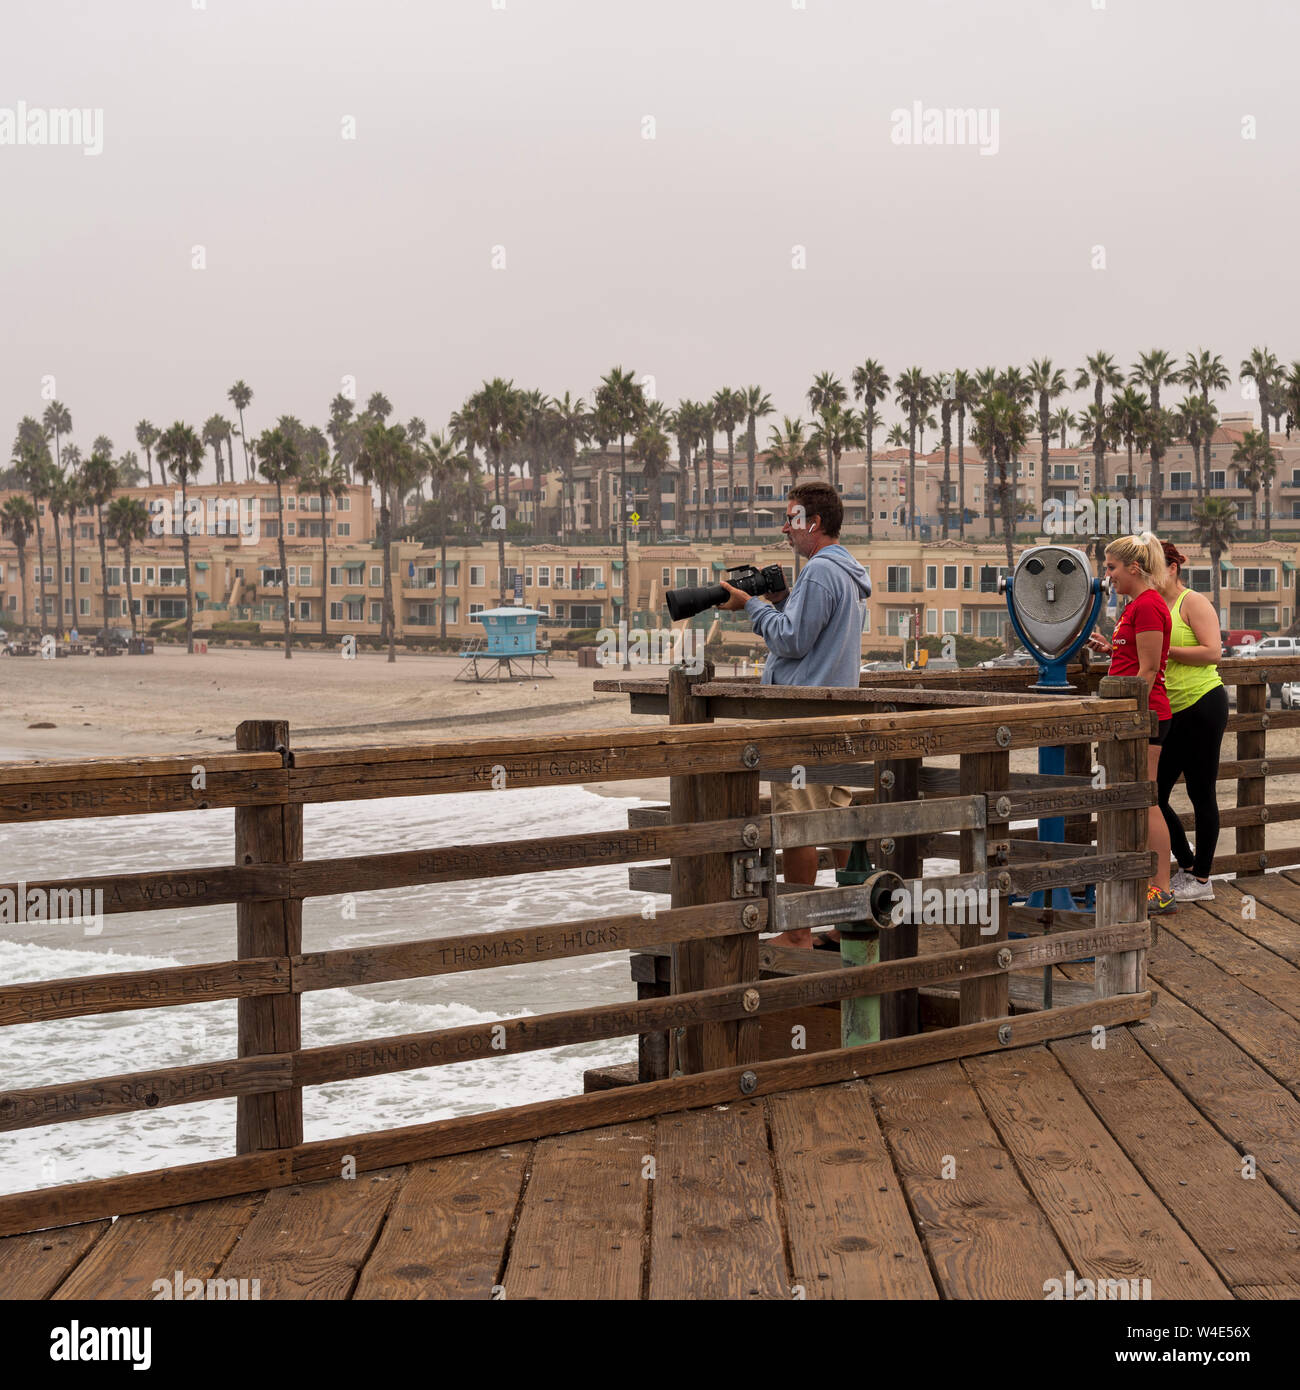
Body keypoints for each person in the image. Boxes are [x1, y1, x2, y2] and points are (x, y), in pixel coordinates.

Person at [718, 480, 871, 948]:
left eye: (791, 519)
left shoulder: (822, 571)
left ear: (814, 523)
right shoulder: (845, 572)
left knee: (799, 823)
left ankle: (798, 932)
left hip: (802, 717)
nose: (786, 529)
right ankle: (856, 921)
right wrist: (785, 601)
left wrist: (753, 606)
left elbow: (791, 641)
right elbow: (810, 632)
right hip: (835, 715)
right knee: (836, 819)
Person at [1086, 532, 1175, 914]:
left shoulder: (1149, 606)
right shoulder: (1134, 606)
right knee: (1136, 796)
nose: (1108, 576)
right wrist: (1110, 649)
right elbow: (1135, 657)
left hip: (1147, 714)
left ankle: (1161, 887)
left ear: (1133, 568)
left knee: (1147, 798)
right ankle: (1142, 879)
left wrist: (1131, 713)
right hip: (1131, 713)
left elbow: (1151, 668)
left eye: (1112, 568)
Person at [1155, 540, 1226, 900]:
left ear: (1172, 568)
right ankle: (1187, 866)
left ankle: (1201, 880)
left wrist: (1165, 650)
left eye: (1156, 567)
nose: (1151, 575)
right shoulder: (1151, 605)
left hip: (1202, 704)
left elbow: (1213, 651)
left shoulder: (1192, 602)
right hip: (1170, 710)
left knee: (1202, 792)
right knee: (1153, 793)